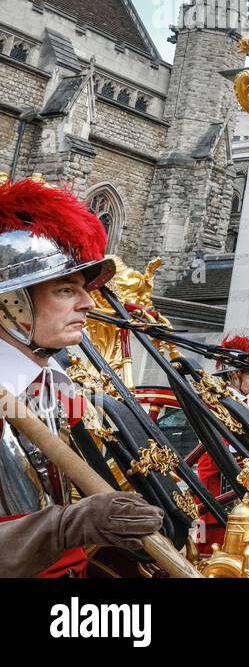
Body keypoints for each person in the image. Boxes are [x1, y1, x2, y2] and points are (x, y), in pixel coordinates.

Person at [0, 176, 163, 576]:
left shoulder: (56, 386)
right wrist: (68, 526)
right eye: (65, 290)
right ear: (11, 301)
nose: (88, 302)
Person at [192, 334, 249, 555]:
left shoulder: (241, 401)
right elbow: (228, 446)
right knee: (211, 549)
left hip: (240, 487)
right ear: (235, 374)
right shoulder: (219, 402)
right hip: (219, 486)